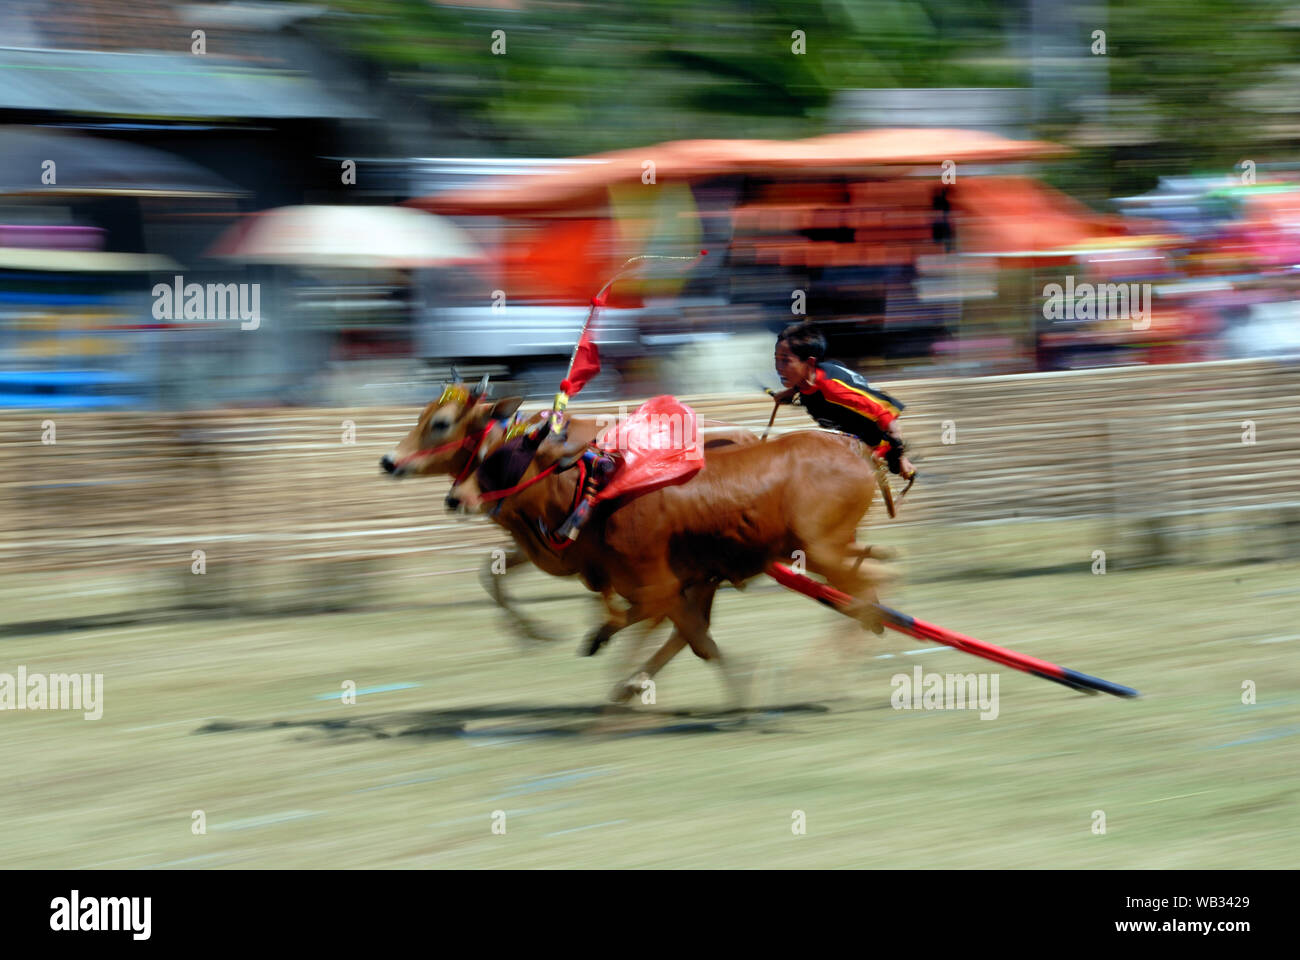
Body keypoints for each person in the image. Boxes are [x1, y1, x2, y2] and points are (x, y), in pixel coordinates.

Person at [773, 321, 916, 480]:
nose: (778, 367)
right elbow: (808, 383)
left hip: (871, 445)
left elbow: (888, 420)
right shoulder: (809, 378)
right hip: (844, 437)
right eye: (776, 359)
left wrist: (899, 457)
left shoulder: (834, 390)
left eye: (786, 360)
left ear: (810, 362)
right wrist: (790, 392)